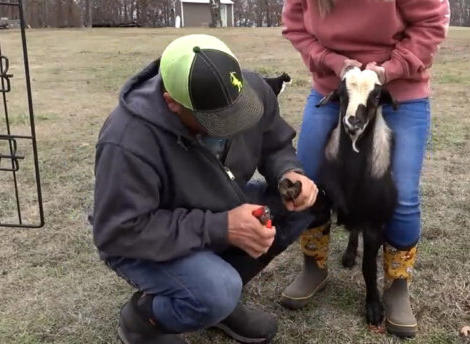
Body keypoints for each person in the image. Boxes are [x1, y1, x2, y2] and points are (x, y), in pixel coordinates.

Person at [280, 0, 450, 337]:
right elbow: (297, 29)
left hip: (398, 92)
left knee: (400, 195)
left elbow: (431, 24)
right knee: (306, 180)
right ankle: (314, 264)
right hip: (333, 90)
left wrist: (390, 70)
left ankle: (396, 284)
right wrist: (335, 64)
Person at [90, 34, 319, 344]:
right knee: (215, 291)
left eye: (237, 111)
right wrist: (221, 227)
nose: (233, 126)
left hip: (216, 204)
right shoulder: (128, 139)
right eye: (217, 120)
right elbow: (119, 231)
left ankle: (221, 307)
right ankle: (144, 320)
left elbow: (273, 142)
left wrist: (288, 173)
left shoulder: (247, 88)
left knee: (300, 207)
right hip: (143, 237)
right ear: (172, 102)